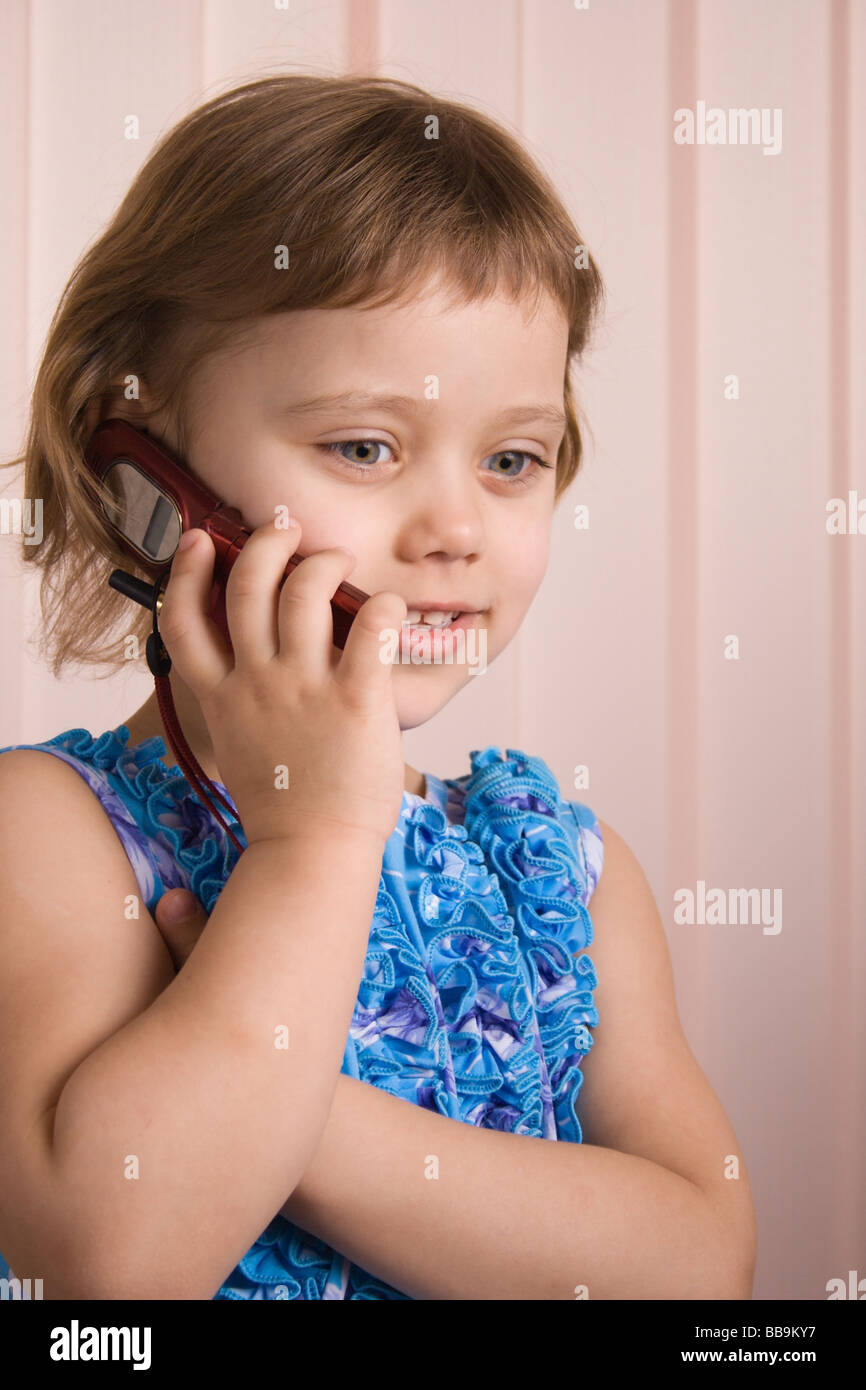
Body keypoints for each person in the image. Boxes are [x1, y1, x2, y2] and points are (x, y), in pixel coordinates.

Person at [0, 73, 756, 1300]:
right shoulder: (50, 836)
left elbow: (697, 1269)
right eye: (363, 446)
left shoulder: (560, 875)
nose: (455, 526)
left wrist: (305, 1120)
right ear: (143, 467)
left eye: (512, 458)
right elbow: (114, 1265)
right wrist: (313, 841)